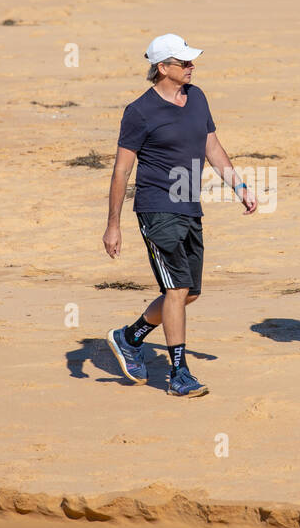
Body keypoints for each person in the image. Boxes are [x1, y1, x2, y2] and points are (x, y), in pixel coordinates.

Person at [104, 34, 257, 398]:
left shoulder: (198, 97)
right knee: (175, 290)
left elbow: (211, 146)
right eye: (184, 63)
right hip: (156, 207)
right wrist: (113, 224)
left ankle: (129, 338)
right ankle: (179, 373)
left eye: (191, 62)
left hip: (189, 205)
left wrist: (239, 186)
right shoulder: (139, 112)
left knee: (188, 293)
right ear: (162, 68)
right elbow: (121, 171)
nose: (192, 67)